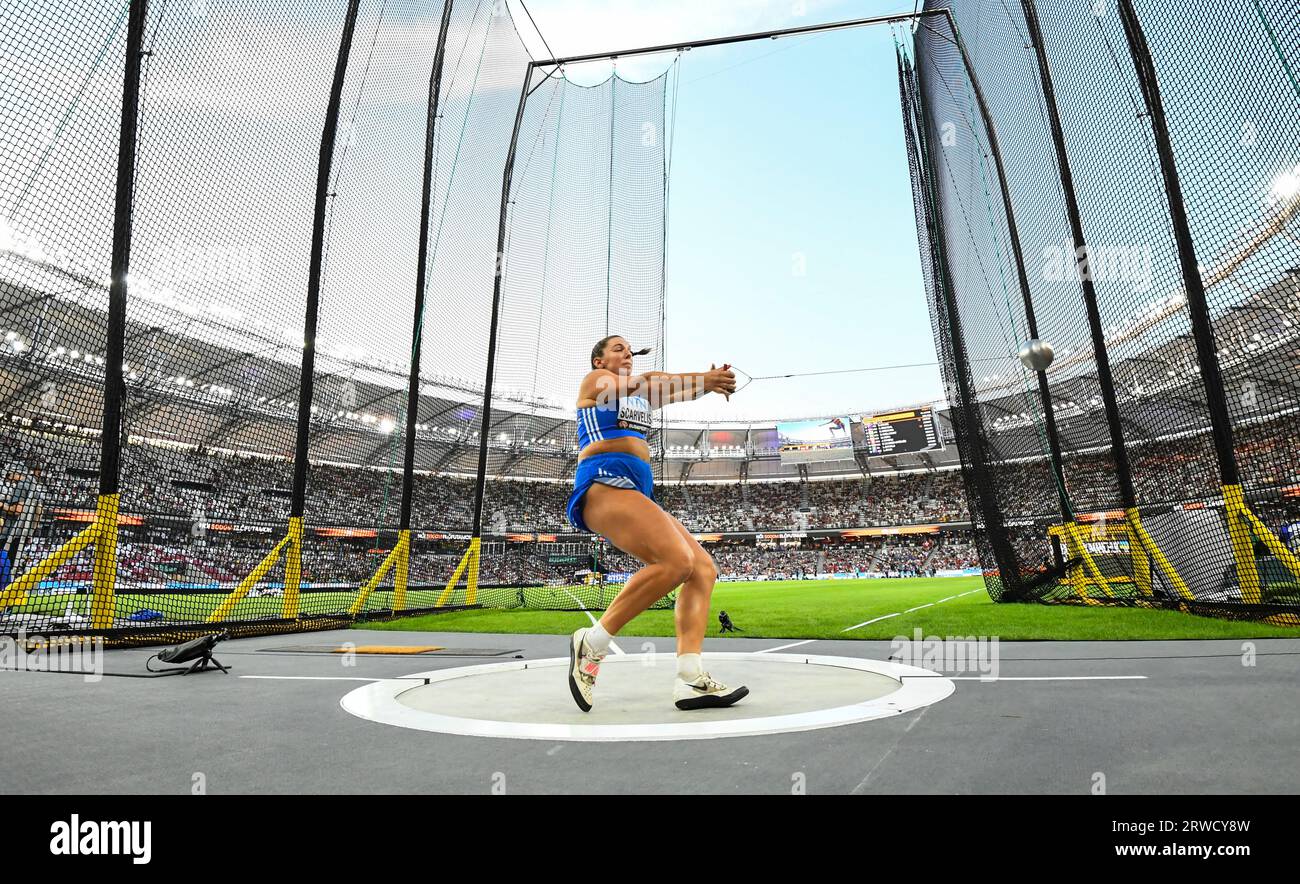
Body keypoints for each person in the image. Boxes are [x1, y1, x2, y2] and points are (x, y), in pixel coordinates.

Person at [565, 335, 748, 712]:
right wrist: (705, 378)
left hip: (635, 492)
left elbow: (670, 389)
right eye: (618, 349)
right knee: (676, 562)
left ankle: (691, 679)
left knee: (701, 569)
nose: (627, 354)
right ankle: (592, 643)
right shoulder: (596, 384)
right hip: (602, 481)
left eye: (630, 350)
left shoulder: (640, 395)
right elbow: (650, 380)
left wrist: (705, 384)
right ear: (598, 361)